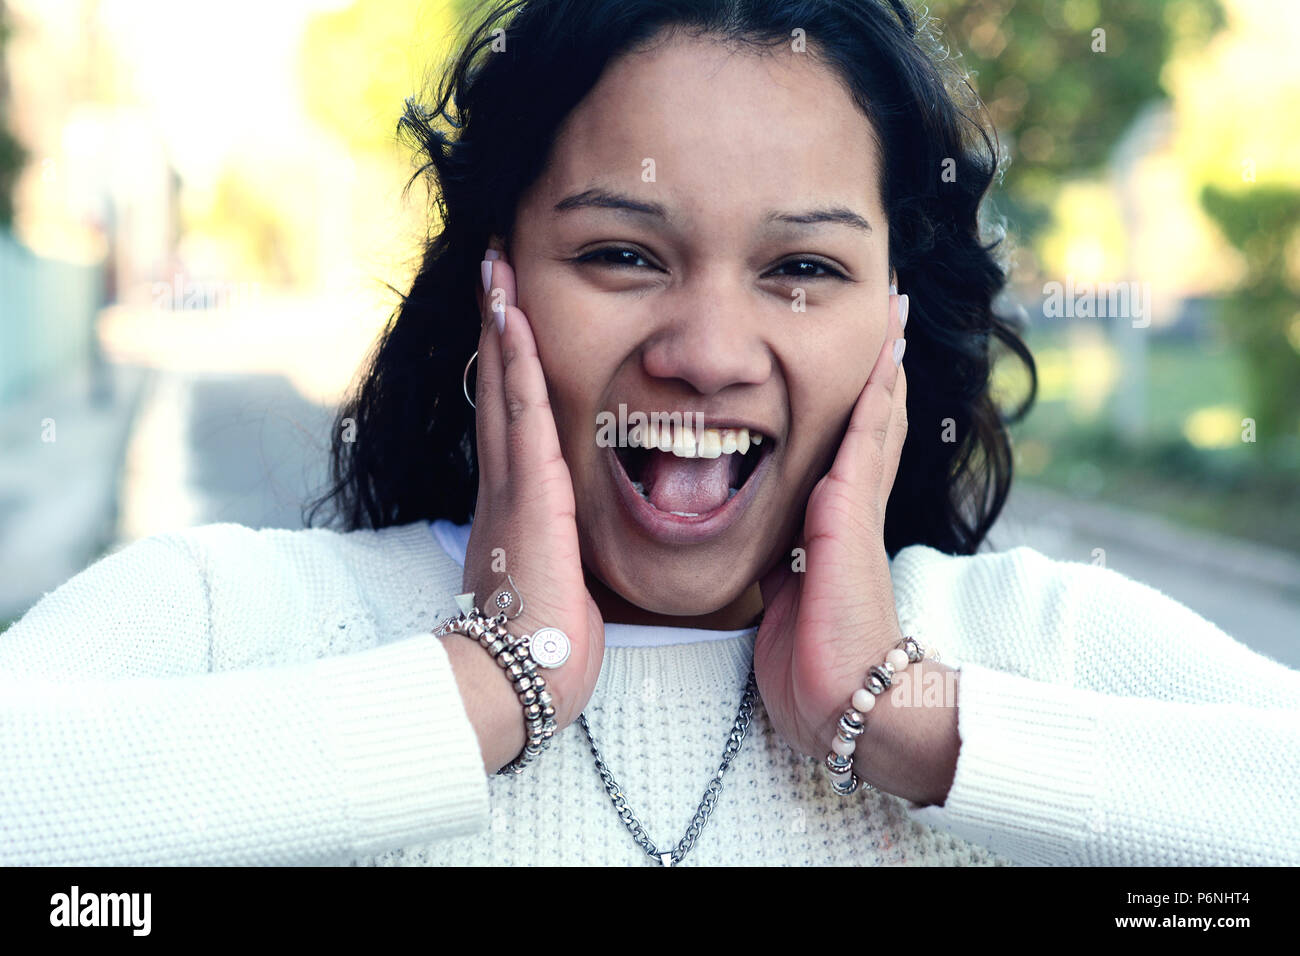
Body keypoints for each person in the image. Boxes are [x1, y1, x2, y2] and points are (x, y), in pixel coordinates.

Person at [3, 0, 1298, 867]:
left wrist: (898, 716)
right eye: (622, 252)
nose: (708, 351)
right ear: (495, 281)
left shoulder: (1027, 650)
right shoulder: (240, 622)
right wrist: (486, 683)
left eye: (801, 269)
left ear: (897, 323)